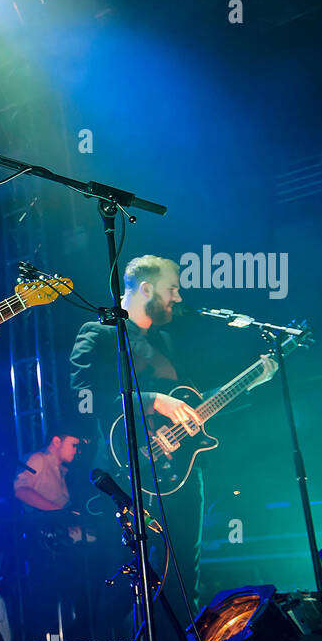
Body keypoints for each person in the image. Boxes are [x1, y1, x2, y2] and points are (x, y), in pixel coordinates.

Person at [69, 255, 205, 617]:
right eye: (171, 289)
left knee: (183, 575)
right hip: (125, 472)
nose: (177, 297)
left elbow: (185, 401)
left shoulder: (167, 341)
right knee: (137, 575)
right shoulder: (99, 333)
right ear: (145, 288)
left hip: (179, 472)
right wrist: (151, 400)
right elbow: (80, 398)